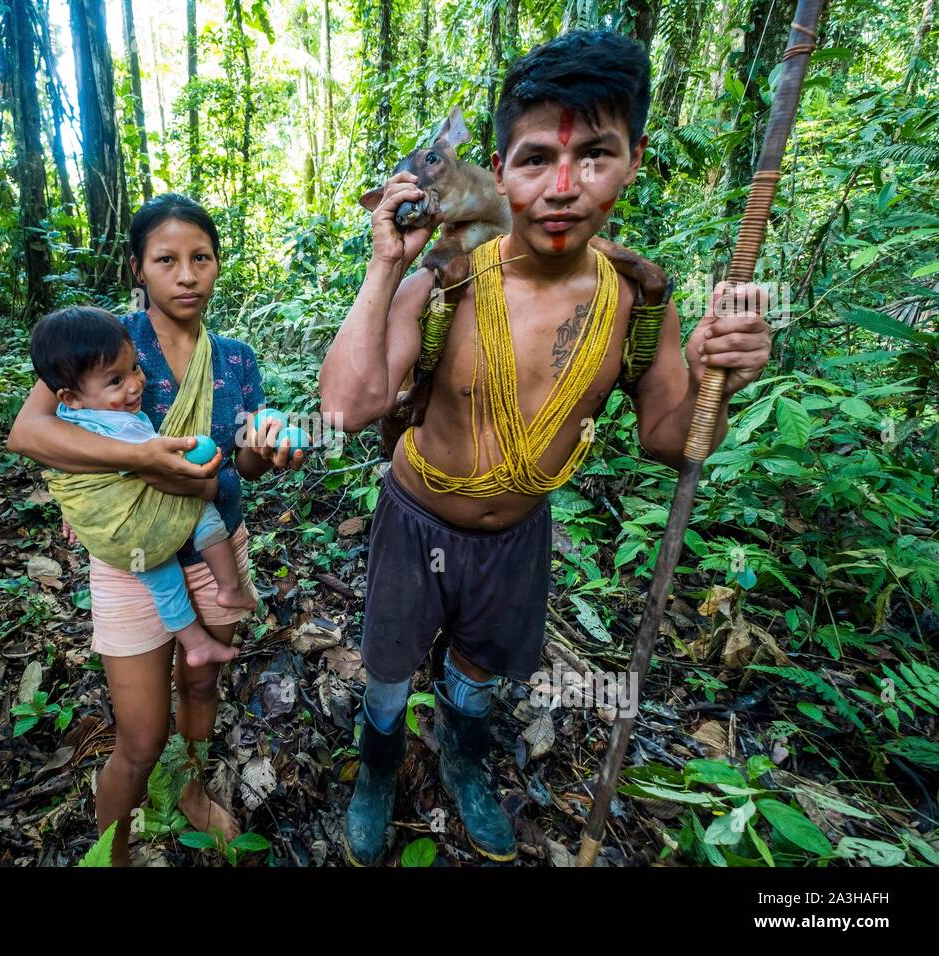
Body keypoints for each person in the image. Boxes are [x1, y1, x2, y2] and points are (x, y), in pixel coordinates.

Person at [319, 30, 773, 866]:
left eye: (594, 155)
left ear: (632, 158)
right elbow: (348, 407)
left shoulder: (641, 301)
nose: (563, 187)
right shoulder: (448, 277)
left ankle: (462, 764)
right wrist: (384, 268)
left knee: (479, 672)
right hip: (416, 521)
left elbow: (670, 442)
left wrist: (720, 375)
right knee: (387, 666)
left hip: (517, 538)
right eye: (535, 160)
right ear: (500, 167)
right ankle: (375, 771)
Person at [8, 193, 304, 866]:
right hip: (134, 557)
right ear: (137, 268)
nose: (187, 274)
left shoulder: (234, 359)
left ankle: (193, 788)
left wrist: (267, 446)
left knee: (202, 683)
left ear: (218, 265)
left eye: (201, 258)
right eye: (166, 260)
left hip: (215, 539)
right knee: (138, 740)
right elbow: (29, 432)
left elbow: (247, 465)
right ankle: (110, 852)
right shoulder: (101, 340)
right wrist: (138, 455)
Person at [29, 305, 257, 669]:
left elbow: (68, 468)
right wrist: (205, 486)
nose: (135, 384)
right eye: (115, 381)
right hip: (141, 522)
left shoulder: (66, 418)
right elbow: (159, 474)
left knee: (163, 581)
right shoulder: (126, 428)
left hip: (114, 536)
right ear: (70, 395)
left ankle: (194, 641)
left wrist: (75, 509)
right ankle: (230, 588)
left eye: (134, 368)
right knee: (207, 519)